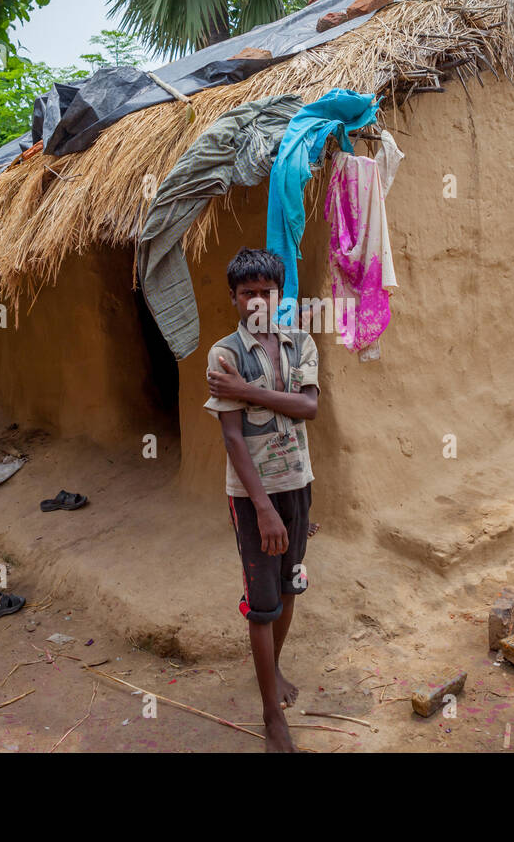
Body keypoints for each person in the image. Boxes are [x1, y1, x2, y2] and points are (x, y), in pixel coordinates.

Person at [204, 247, 320, 752]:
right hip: (255, 496)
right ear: (234, 298)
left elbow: (309, 407)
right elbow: (232, 439)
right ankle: (271, 714)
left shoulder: (301, 344)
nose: (257, 300)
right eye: (247, 292)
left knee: (291, 584)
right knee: (263, 602)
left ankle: (271, 670)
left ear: (279, 295)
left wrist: (248, 392)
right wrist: (265, 509)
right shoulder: (224, 354)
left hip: (298, 481)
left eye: (266, 291)